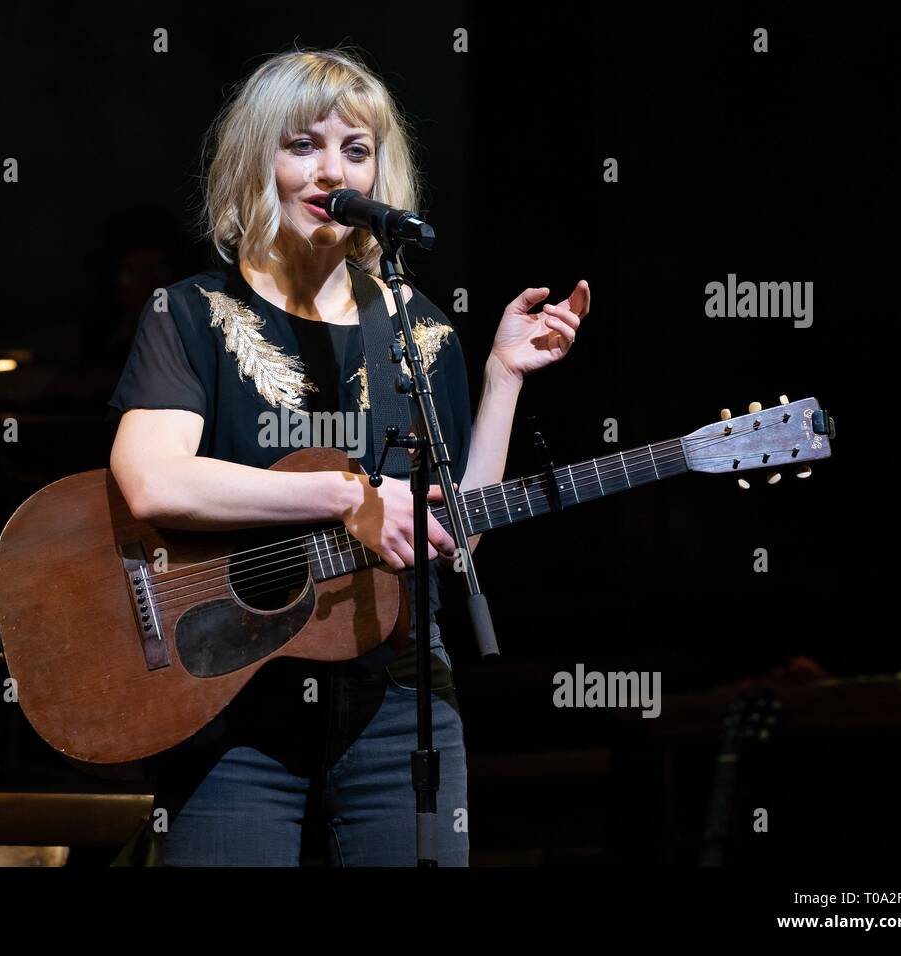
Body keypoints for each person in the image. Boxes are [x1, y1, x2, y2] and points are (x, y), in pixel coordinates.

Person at [107, 47, 589, 866]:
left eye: (355, 150)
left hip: (397, 698)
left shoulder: (420, 329)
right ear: (258, 158)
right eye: (304, 145)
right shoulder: (192, 313)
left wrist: (504, 378)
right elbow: (152, 481)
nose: (333, 170)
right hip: (232, 692)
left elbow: (452, 537)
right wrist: (344, 496)